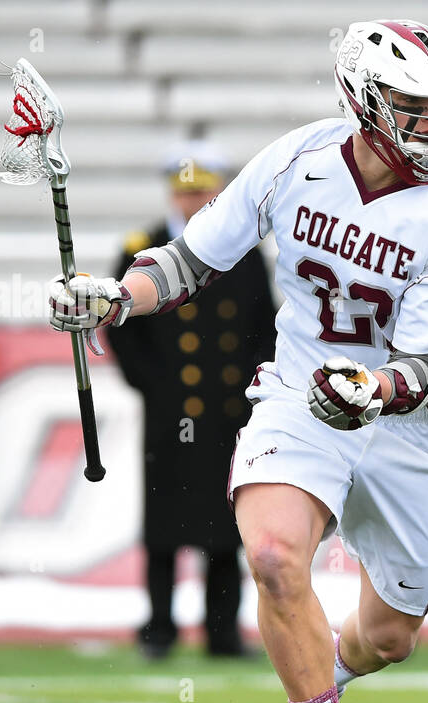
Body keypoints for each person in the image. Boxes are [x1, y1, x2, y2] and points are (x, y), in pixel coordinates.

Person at [49, 19, 428, 703]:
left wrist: (377, 387)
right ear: (364, 101)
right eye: (411, 105)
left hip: (409, 417)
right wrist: (112, 298)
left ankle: (328, 681)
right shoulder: (297, 159)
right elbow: (185, 265)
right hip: (300, 389)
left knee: (391, 636)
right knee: (274, 557)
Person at [107, 141, 278, 660]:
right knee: (163, 524)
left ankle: (222, 632)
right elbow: (121, 325)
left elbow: (261, 328)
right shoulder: (144, 249)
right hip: (171, 411)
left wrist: (251, 389)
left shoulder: (243, 254)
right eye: (185, 192)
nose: (192, 201)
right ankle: (159, 627)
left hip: (228, 413)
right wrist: (152, 385)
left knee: (226, 527)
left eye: (203, 191)